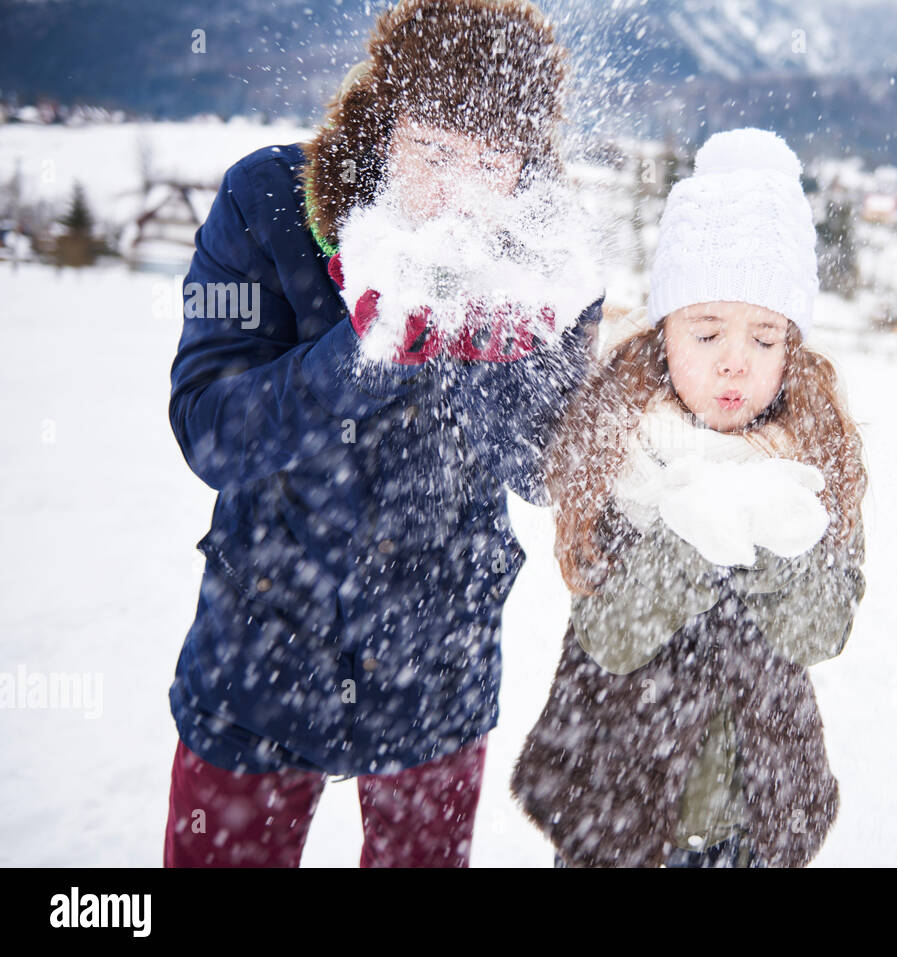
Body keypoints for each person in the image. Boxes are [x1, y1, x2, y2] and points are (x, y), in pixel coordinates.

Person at [164, 0, 602, 867]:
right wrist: (357, 353)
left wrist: (487, 347)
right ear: (385, 116)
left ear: (525, 165)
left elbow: (545, 468)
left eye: (488, 158)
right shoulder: (269, 203)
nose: (456, 188)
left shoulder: (551, 267)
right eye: (432, 148)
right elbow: (209, 430)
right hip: (261, 648)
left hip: (434, 662)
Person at [510, 129, 867, 868]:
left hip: (752, 816)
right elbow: (611, 635)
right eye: (707, 331)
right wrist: (690, 537)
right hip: (617, 805)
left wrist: (768, 528)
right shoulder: (620, 442)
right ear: (663, 328)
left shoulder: (813, 456)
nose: (736, 358)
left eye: (766, 338)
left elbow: (820, 630)